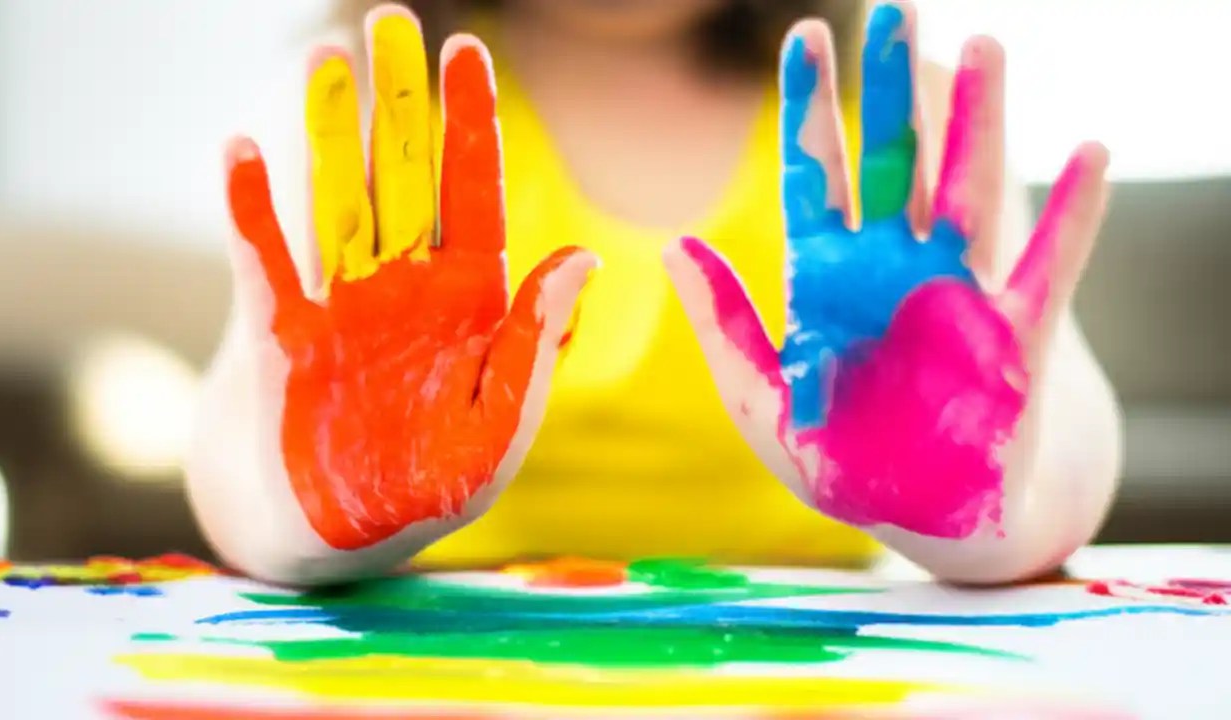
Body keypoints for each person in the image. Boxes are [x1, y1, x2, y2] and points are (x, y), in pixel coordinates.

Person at [314, 0, 1121, 577]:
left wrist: (977, 518)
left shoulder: (906, 120)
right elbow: (245, 444)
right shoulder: (379, 119)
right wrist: (328, 508)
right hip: (438, 667)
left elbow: (1068, 436)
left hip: (829, 670)